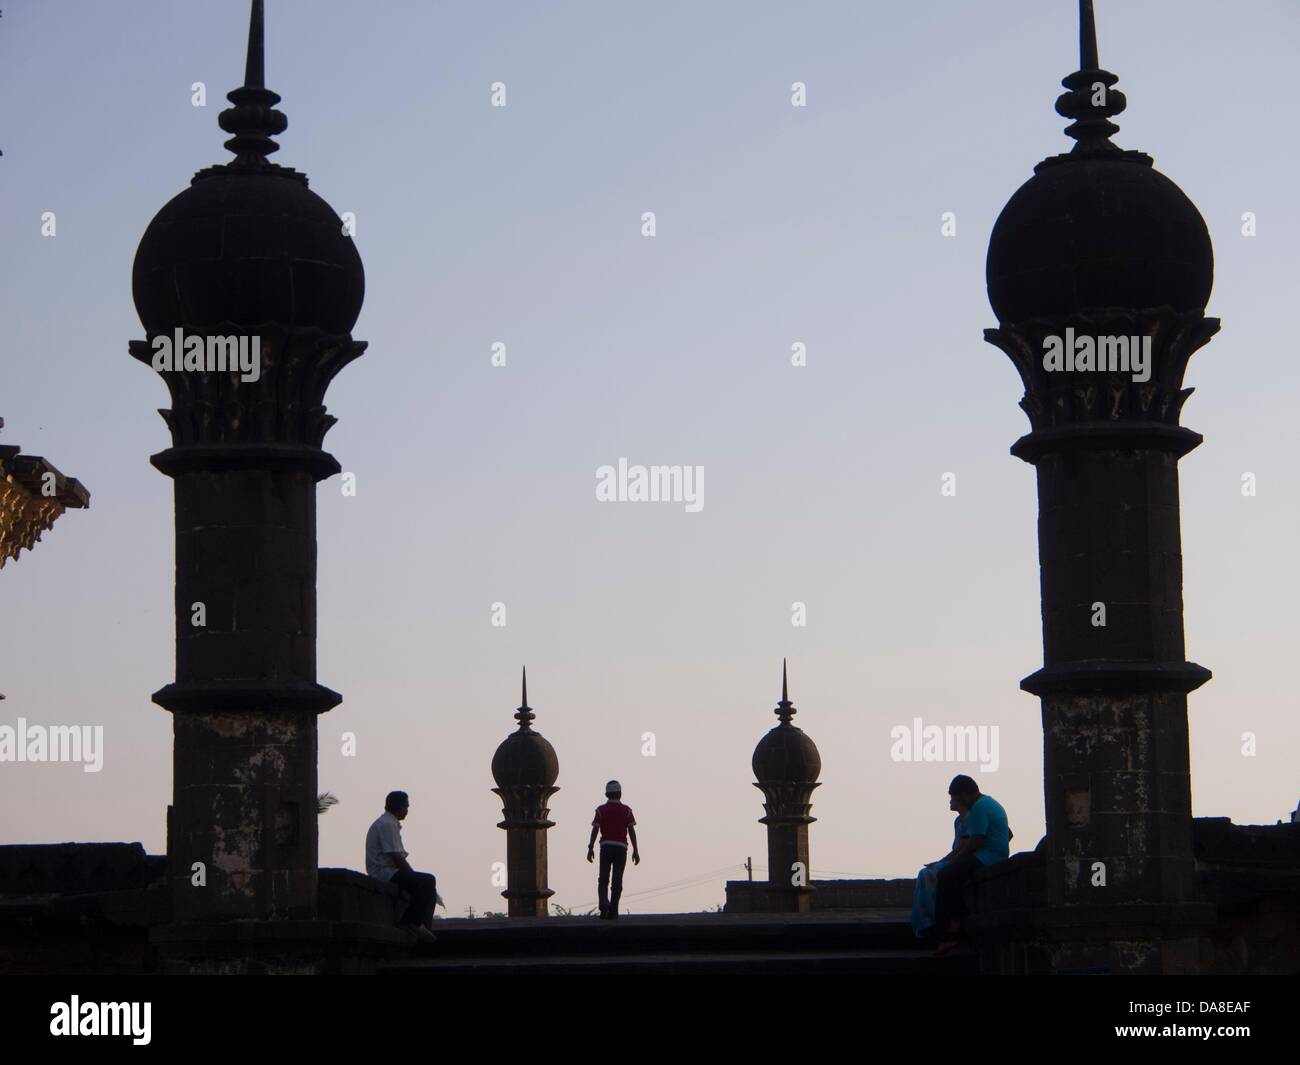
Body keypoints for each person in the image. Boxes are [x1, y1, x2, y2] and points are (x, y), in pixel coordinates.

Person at [933, 775, 1011, 956]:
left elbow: (976, 840)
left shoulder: (978, 808)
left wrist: (955, 859)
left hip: (989, 856)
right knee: (954, 876)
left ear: (965, 795)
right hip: (991, 853)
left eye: (957, 798)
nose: (957, 802)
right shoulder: (987, 803)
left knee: (945, 875)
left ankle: (947, 935)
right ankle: (955, 922)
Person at [365, 790, 437, 944]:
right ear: (400, 807)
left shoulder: (388, 823)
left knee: (429, 886)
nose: (407, 811)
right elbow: (396, 857)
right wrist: (413, 875)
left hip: (389, 871)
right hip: (383, 872)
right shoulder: (387, 824)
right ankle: (410, 922)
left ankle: (423, 927)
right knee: (427, 881)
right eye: (406, 807)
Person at [912, 801, 969, 939]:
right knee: (925, 874)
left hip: (963, 862)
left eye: (952, 797)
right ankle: (924, 923)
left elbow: (961, 849)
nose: (950, 801)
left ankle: (930, 923)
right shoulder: (958, 821)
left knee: (927, 874)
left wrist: (942, 862)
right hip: (956, 861)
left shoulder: (970, 818)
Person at [586, 779, 639, 919]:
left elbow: (595, 829)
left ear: (606, 794)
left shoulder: (601, 810)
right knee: (617, 879)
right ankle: (613, 910)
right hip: (621, 848)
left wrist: (590, 847)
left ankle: (604, 906)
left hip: (606, 846)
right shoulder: (627, 811)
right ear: (620, 794)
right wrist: (636, 850)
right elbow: (631, 830)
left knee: (603, 878)